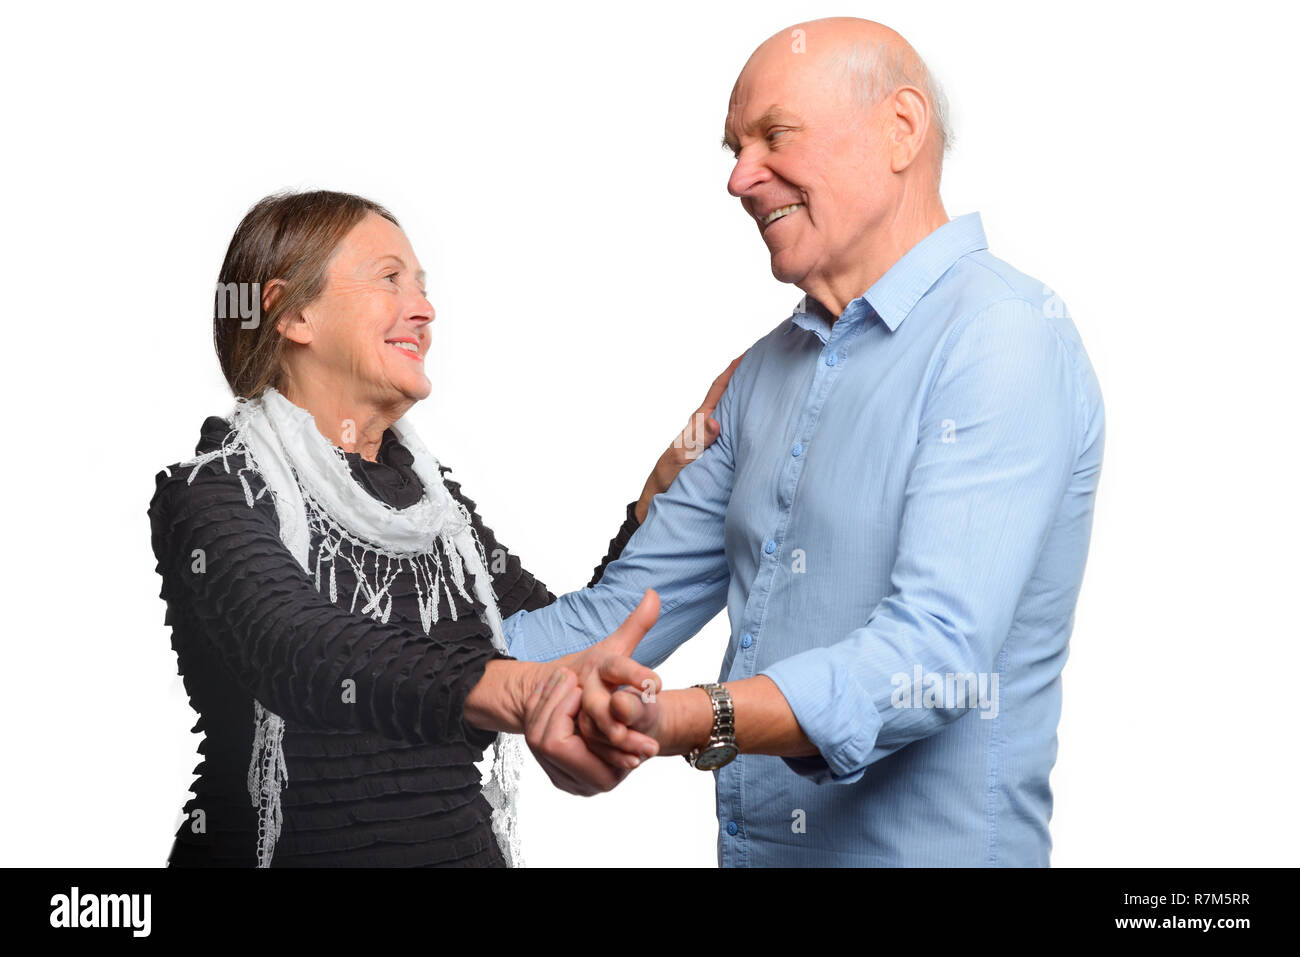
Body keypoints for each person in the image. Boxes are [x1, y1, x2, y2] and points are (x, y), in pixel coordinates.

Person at [511, 17, 1106, 866]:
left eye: (772, 136)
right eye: (733, 147)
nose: (739, 178)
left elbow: (929, 656)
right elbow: (617, 621)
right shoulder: (762, 373)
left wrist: (688, 716)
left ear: (902, 129)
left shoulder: (1004, 336)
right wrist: (395, 658)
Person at [148, 188, 727, 867]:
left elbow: (554, 642)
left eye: (422, 287)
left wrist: (655, 501)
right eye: (390, 278)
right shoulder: (214, 491)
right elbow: (300, 648)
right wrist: (516, 687)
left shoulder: (431, 504)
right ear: (293, 311)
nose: (423, 309)